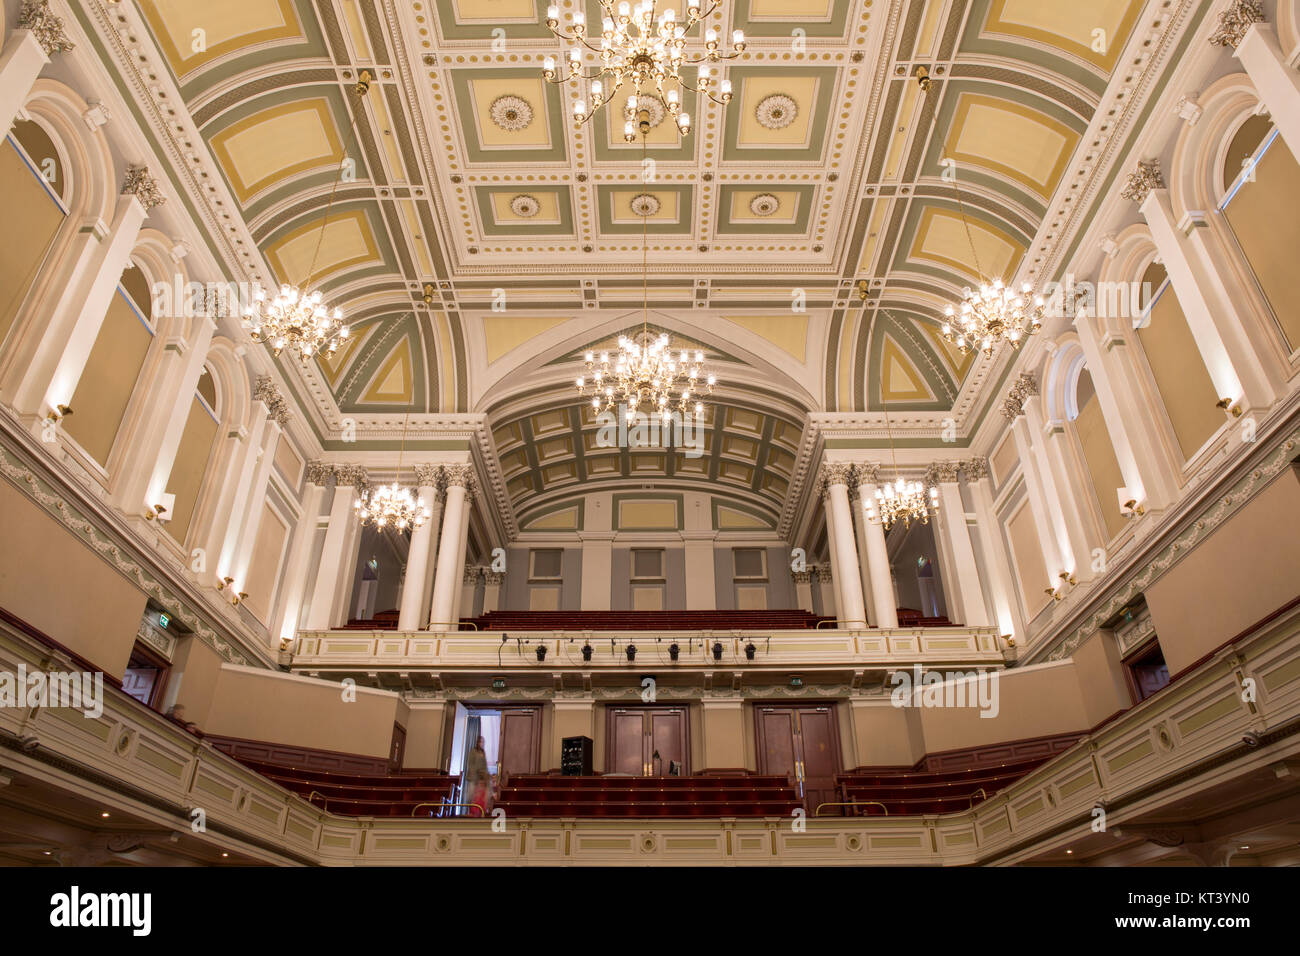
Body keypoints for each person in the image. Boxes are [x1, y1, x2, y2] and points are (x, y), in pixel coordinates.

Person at [463, 735, 490, 817]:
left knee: (483, 794)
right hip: (473, 777)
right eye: (481, 742)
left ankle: (481, 812)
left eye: (483, 742)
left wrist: (485, 775)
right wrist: (476, 774)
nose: (482, 744)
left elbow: (484, 766)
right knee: (471, 795)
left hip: (481, 777)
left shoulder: (483, 752)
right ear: (478, 742)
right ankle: (470, 812)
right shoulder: (473, 751)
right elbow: (471, 764)